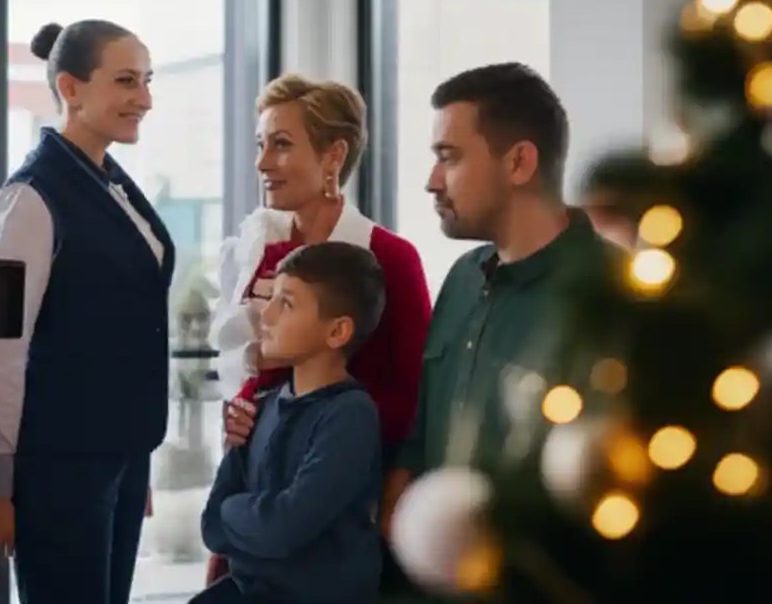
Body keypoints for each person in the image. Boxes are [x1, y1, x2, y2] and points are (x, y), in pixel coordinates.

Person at [0, 20, 174, 603]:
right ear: (70, 89)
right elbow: (2, 354)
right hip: (60, 467)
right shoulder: (32, 196)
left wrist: (130, 458)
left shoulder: (110, 184)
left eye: (148, 81)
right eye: (127, 81)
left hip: (116, 458)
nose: (145, 99)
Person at [379, 63, 610, 599]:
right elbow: (423, 432)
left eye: (448, 156)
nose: (431, 181)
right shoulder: (462, 279)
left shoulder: (604, 296)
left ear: (519, 161)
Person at [209, 73, 430, 584]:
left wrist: (325, 429)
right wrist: (246, 411)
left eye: (282, 146)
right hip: (261, 481)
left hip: (341, 501)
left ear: (334, 156)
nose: (263, 162)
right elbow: (257, 370)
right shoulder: (259, 251)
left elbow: (415, 394)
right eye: (262, 145)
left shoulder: (391, 258)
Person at [196, 242, 387, 604]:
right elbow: (212, 529)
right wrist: (244, 516)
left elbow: (286, 527)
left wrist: (234, 510)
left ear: (337, 332)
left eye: (286, 303)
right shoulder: (260, 406)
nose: (264, 317)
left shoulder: (350, 415)